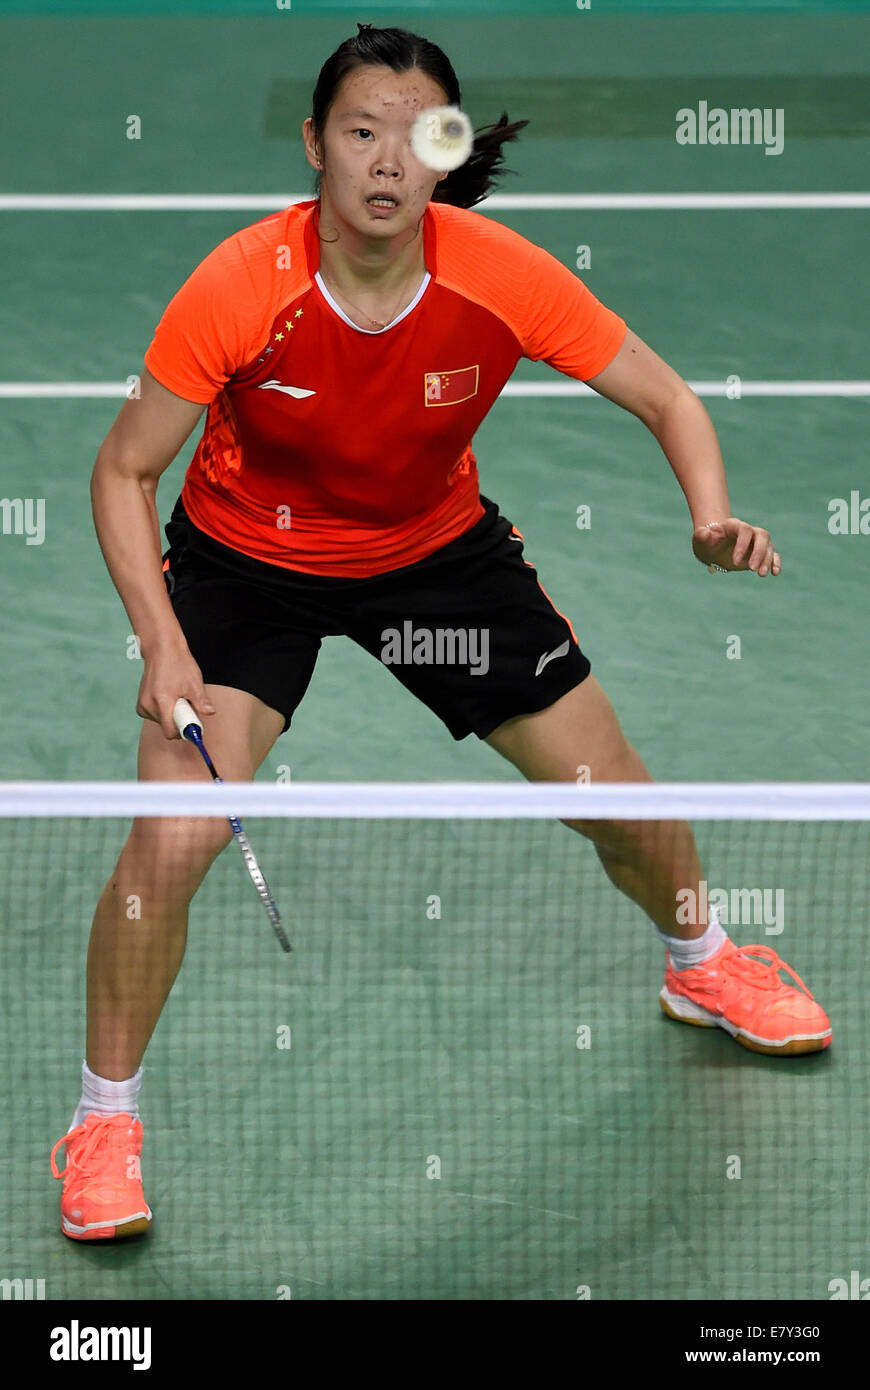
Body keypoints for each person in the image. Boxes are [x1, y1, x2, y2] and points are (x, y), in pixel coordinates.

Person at [50, 24, 831, 1244]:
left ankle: (705, 959)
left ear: (447, 155)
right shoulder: (241, 284)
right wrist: (162, 644)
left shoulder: (498, 276)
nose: (384, 163)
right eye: (360, 131)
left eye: (418, 139)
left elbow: (667, 394)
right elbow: (118, 472)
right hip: (245, 566)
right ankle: (104, 1123)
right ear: (315, 144)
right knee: (171, 842)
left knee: (612, 794)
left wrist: (711, 513)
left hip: (430, 560)